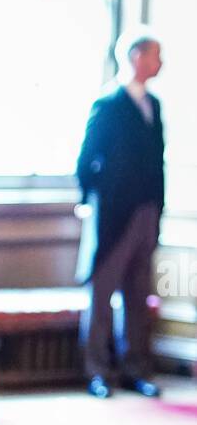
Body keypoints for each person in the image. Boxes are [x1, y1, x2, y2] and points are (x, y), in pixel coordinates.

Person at [76, 28, 166, 399]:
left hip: (147, 211)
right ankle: (97, 370)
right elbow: (87, 158)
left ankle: (135, 368)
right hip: (114, 215)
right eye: (155, 54)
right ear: (135, 57)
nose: (160, 62)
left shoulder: (154, 105)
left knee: (137, 293)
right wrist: (96, 198)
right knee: (102, 294)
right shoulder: (109, 103)